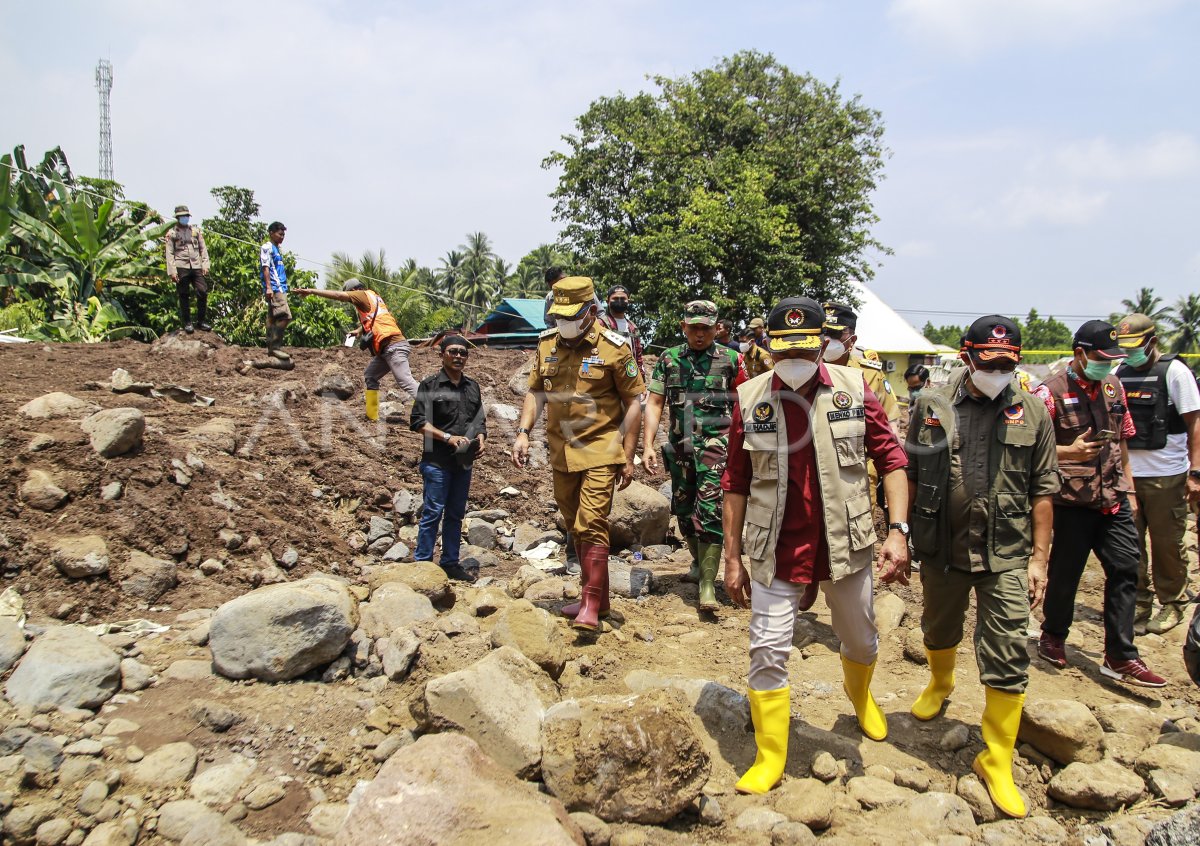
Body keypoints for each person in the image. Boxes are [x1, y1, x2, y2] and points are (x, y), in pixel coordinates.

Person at [722, 296, 910, 795]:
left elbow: (891, 460)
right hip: (775, 549)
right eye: (784, 351)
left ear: (822, 343)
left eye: (805, 348)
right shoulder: (750, 398)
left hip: (844, 544)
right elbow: (736, 482)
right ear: (769, 348)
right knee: (766, 649)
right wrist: (732, 555)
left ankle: (861, 696)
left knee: (861, 638)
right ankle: (770, 756)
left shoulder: (855, 389)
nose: (796, 360)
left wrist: (898, 530)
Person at [905, 316, 1059, 819]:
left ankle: (996, 759)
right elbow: (907, 470)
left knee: (1010, 647)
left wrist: (1039, 560)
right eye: (988, 361)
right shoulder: (932, 405)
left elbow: (1043, 491)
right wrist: (899, 532)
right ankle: (940, 683)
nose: (998, 370)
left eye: (1007, 363)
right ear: (968, 355)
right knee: (938, 626)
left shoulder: (1033, 411)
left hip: (1007, 553)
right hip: (942, 548)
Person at [1033, 320, 1166, 687]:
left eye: (1112, 359)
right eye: (1101, 358)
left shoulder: (1113, 386)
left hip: (1113, 497)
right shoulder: (1050, 392)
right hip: (1072, 500)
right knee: (1066, 573)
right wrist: (1069, 450)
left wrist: (1131, 490)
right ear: (1080, 354)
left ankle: (1121, 656)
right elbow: (1031, 447)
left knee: (1126, 568)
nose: (1107, 364)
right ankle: (1054, 635)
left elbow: (1122, 442)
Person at [511, 276, 645, 631]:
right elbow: (535, 392)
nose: (563, 322)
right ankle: (599, 601)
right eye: (559, 315)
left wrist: (627, 455)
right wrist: (523, 432)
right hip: (561, 451)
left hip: (602, 448)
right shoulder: (547, 344)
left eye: (571, 315)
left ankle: (589, 603)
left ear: (591, 311)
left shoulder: (615, 347)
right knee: (574, 525)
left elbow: (634, 402)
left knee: (591, 522)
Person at [643, 301, 743, 609]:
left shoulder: (732, 359)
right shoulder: (668, 359)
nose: (699, 334)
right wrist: (647, 444)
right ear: (683, 326)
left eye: (706, 328)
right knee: (683, 510)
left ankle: (707, 586)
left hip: (717, 446)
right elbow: (656, 402)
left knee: (711, 510)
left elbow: (744, 404)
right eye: (694, 328)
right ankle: (698, 564)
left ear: (716, 328)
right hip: (681, 446)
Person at [1115, 313, 1200, 634]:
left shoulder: (1175, 372)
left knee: (1167, 544)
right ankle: (1138, 603)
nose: (1130, 354)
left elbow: (1195, 424)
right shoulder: (1120, 372)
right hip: (1128, 478)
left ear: (1152, 341)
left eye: (1135, 347)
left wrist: (1196, 473)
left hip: (1167, 476)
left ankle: (1173, 603)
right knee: (1131, 545)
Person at [408, 335, 487, 581]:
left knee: (455, 514)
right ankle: (422, 564)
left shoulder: (472, 386)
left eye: (463, 353)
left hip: (463, 463)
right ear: (441, 354)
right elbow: (418, 422)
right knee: (432, 512)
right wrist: (448, 437)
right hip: (437, 461)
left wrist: (481, 438)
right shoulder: (429, 385)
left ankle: (450, 563)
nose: (458, 357)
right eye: (453, 351)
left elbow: (479, 420)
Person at [293, 279, 420, 419]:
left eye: (349, 295)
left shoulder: (359, 294)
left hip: (393, 347)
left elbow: (337, 295)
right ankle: (372, 415)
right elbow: (377, 318)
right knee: (370, 375)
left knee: (405, 381)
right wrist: (359, 331)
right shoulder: (372, 297)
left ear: (353, 291)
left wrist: (311, 291)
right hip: (386, 349)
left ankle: (436, 407)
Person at [164, 204, 210, 334]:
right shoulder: (172, 234)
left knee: (202, 291)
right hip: (181, 266)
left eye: (186, 216)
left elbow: (203, 249)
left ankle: (201, 321)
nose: (184, 218)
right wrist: (172, 272)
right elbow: (170, 253)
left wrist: (205, 264)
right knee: (183, 294)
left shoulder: (195, 231)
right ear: (177, 218)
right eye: (182, 216)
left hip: (196, 265)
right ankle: (187, 322)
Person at [598, 284, 646, 378]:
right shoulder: (600, 324)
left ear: (628, 300)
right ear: (607, 301)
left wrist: (641, 380)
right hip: (605, 378)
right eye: (615, 298)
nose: (619, 301)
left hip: (629, 377)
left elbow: (638, 357)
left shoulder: (633, 328)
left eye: (623, 298)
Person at [260, 222, 291, 360]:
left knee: (272, 317)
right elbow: (265, 267)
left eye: (283, 234)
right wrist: (268, 287)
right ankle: (275, 347)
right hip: (275, 287)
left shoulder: (277, 249)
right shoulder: (267, 247)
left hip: (281, 287)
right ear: (271, 233)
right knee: (285, 316)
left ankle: (271, 348)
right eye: (280, 234)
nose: (282, 237)